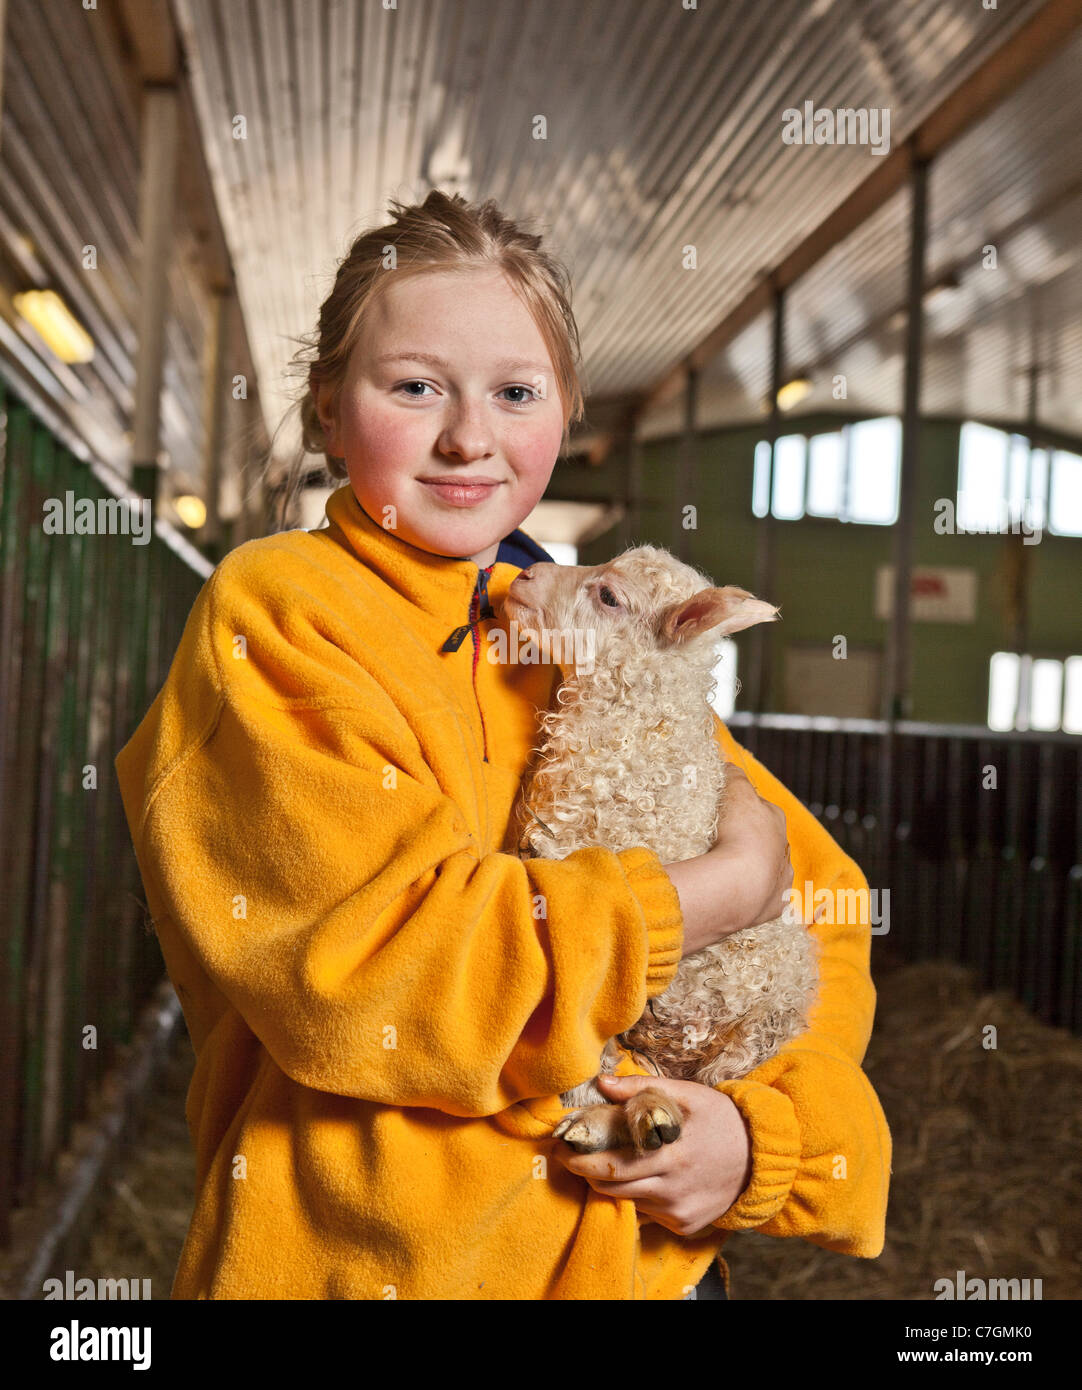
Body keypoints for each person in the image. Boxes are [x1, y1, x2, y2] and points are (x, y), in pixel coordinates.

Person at [114, 190, 891, 1300]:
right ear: (327, 408)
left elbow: (825, 903)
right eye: (413, 386)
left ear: (562, 414)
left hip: (637, 1266)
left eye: (515, 393)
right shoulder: (282, 615)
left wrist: (753, 1141)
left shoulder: (584, 630)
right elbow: (384, 968)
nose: (469, 436)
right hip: (390, 1257)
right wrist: (700, 898)